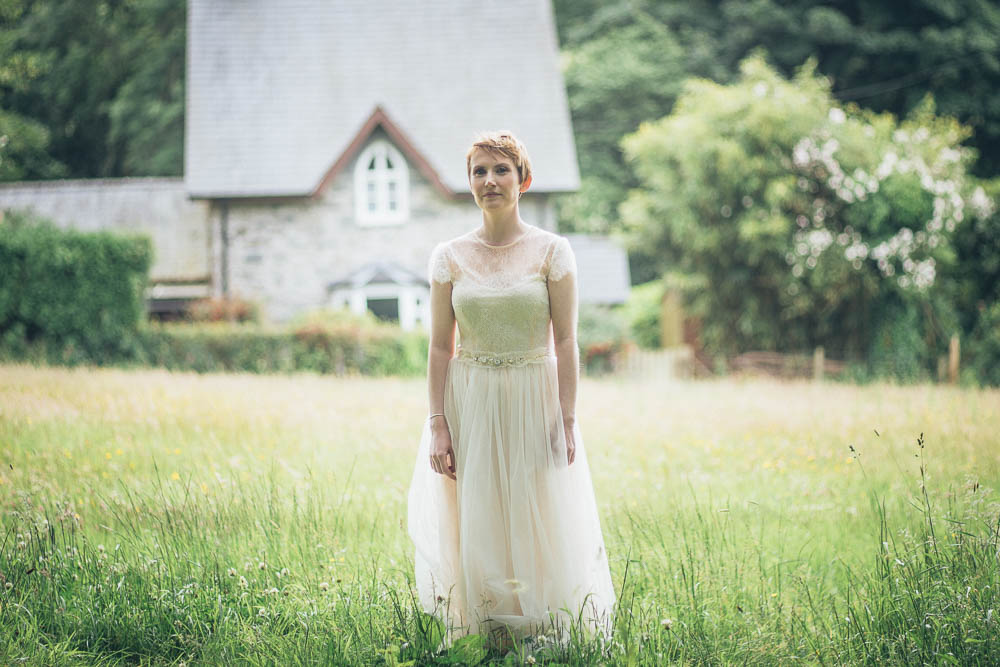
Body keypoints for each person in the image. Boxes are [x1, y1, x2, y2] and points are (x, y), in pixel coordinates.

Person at [406, 131, 615, 652]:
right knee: (476, 512)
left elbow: (566, 340)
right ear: (469, 183)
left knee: (536, 507)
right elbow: (438, 347)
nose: (489, 181)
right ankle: (485, 630)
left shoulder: (552, 252)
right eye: (479, 171)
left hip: (534, 397)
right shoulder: (448, 257)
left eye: (500, 170)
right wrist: (438, 422)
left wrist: (566, 418)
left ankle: (543, 626)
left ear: (523, 180)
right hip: (469, 398)